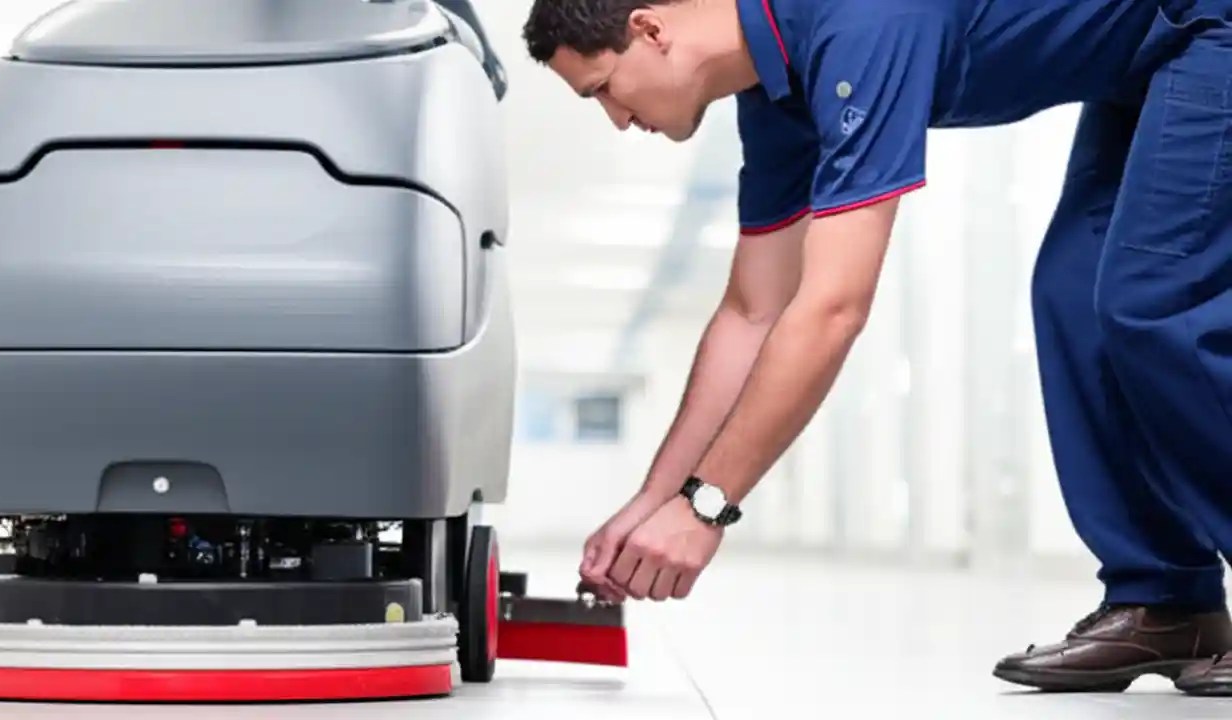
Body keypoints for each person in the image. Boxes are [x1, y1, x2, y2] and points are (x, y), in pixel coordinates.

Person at [520, 0, 1232, 697]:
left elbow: (833, 309)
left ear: (650, 28)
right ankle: (1167, 602)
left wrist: (706, 509)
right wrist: (656, 501)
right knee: (1071, 296)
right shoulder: (777, 94)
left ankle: (1169, 595)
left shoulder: (857, 24)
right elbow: (753, 311)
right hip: (1146, 60)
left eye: (603, 88)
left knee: (1152, 297)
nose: (616, 118)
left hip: (1206, 25)